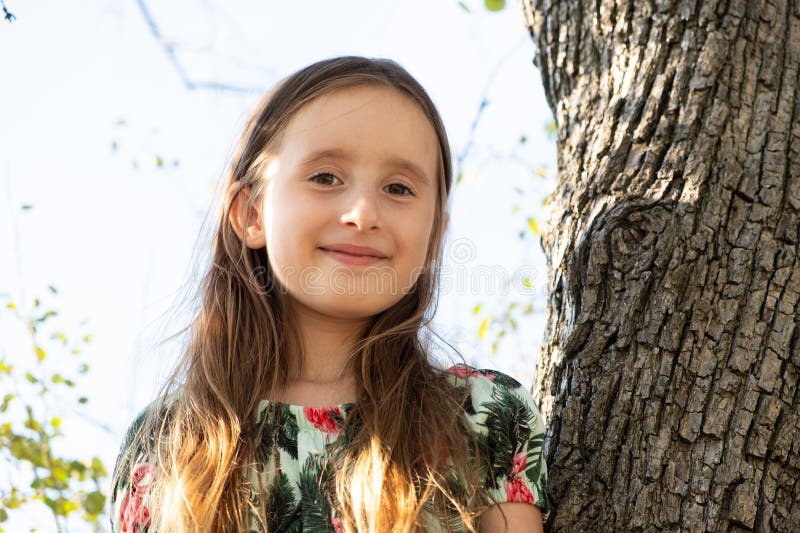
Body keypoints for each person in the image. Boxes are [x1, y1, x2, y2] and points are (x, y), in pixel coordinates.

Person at [109, 55, 550, 533]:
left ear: (435, 236)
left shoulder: (485, 415)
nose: (363, 213)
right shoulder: (167, 441)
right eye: (325, 178)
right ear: (252, 213)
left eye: (399, 188)